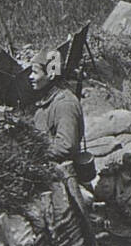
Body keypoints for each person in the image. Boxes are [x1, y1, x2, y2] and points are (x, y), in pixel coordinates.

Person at [28, 48, 96, 187]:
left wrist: (33, 151)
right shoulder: (46, 99)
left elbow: (66, 146)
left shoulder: (65, 105)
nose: (30, 76)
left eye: (35, 72)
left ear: (51, 75)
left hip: (67, 178)